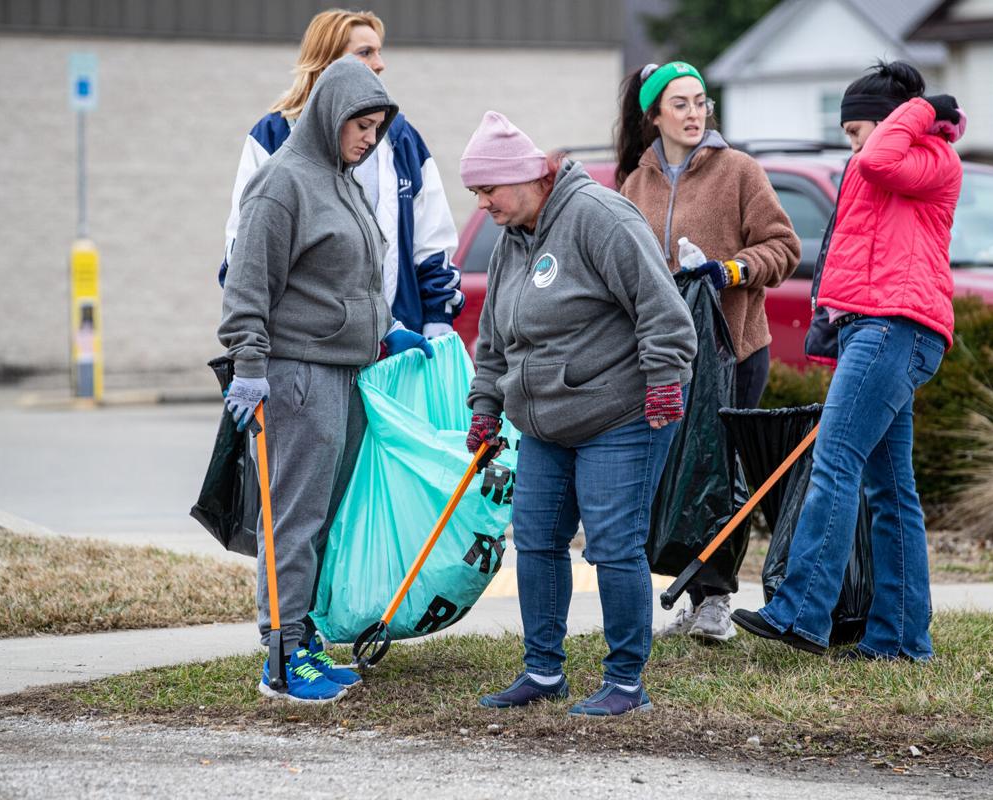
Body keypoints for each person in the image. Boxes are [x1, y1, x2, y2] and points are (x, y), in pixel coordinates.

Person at [461, 111, 698, 717]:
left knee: (614, 545)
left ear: (526, 177)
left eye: (488, 188)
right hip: (545, 424)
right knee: (536, 540)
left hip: (621, 413)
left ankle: (625, 684)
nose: (483, 202)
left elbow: (663, 311)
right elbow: (494, 340)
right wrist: (485, 408)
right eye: (476, 193)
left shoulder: (600, 217)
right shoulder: (513, 242)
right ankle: (543, 671)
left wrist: (665, 383)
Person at [731, 61, 967, 661]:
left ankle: (801, 611)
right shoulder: (885, 164)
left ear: (892, 122)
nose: (853, 146)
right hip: (876, 326)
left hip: (897, 326)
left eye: (858, 129)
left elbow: (880, 157)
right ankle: (902, 639)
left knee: (835, 463)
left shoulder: (929, 158)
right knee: (891, 490)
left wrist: (919, 111)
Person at [219, 58, 427, 703]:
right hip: (297, 375)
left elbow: (354, 280)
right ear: (329, 116)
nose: (369, 139)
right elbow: (246, 289)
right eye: (360, 125)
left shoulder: (345, 183)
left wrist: (387, 330)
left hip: (346, 372)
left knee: (324, 515)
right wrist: (249, 368)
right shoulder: (284, 186)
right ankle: (280, 659)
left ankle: (302, 636)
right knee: (295, 517)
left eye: (376, 127)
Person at [617, 61, 801, 642]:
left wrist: (731, 269)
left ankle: (717, 599)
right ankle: (696, 591)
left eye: (701, 102)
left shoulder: (738, 171)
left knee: (718, 473)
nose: (695, 114)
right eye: (681, 104)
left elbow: (784, 247)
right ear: (654, 115)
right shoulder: (634, 184)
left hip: (736, 350)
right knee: (676, 472)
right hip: (665, 359)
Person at [220, 8, 464, 342]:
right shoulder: (273, 137)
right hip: (306, 346)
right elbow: (244, 252)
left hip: (396, 340)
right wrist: (250, 345)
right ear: (327, 63)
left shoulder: (401, 137)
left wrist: (438, 317)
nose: (380, 64)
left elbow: (432, 239)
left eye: (380, 51)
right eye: (365, 53)